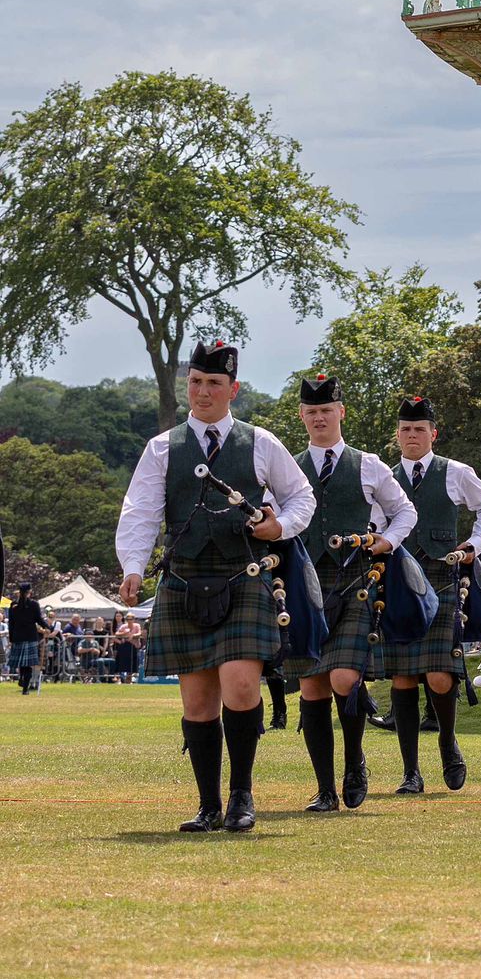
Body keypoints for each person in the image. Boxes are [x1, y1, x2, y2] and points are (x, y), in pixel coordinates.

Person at [115, 339, 317, 833]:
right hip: (183, 579)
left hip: (243, 578)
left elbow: (300, 498)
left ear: (234, 389)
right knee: (197, 702)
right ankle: (208, 805)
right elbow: (140, 513)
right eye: (196, 382)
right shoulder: (161, 448)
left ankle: (242, 797)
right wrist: (133, 568)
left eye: (213, 384)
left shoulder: (261, 443)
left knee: (242, 685)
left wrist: (279, 527)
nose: (202, 392)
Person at [283, 373, 417, 813]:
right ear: (302, 416)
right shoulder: (286, 464)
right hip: (304, 584)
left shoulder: (370, 464)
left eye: (327, 410)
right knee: (312, 687)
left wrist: (386, 542)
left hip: (355, 581)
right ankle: (325, 790)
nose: (319, 418)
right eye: (311, 412)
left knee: (343, 678)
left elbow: (404, 511)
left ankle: (354, 761)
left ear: (341, 412)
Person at [385, 395, 481, 796]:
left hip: (442, 576)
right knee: (401, 677)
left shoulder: (455, 472)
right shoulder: (384, 476)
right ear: (397, 435)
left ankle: (448, 742)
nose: (412, 435)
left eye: (419, 429)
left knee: (438, 674)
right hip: (398, 582)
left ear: (433, 433)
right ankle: (410, 771)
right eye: (405, 429)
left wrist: (474, 545)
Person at [9, 583, 48, 694]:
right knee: (28, 664)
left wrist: (11, 638)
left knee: (22, 663)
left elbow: (11, 623)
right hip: (30, 637)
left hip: (17, 637)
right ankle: (25, 689)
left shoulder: (13, 604)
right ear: (29, 592)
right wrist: (47, 627)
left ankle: (22, 678)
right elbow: (39, 619)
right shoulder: (34, 604)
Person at [113, 612, 143, 684]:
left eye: (131, 619)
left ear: (134, 619)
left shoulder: (137, 625)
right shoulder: (123, 626)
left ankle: (129, 678)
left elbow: (139, 633)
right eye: (128, 619)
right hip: (125, 647)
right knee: (122, 663)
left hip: (134, 647)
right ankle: (121, 678)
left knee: (133, 664)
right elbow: (116, 634)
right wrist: (124, 633)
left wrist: (132, 635)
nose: (129, 620)